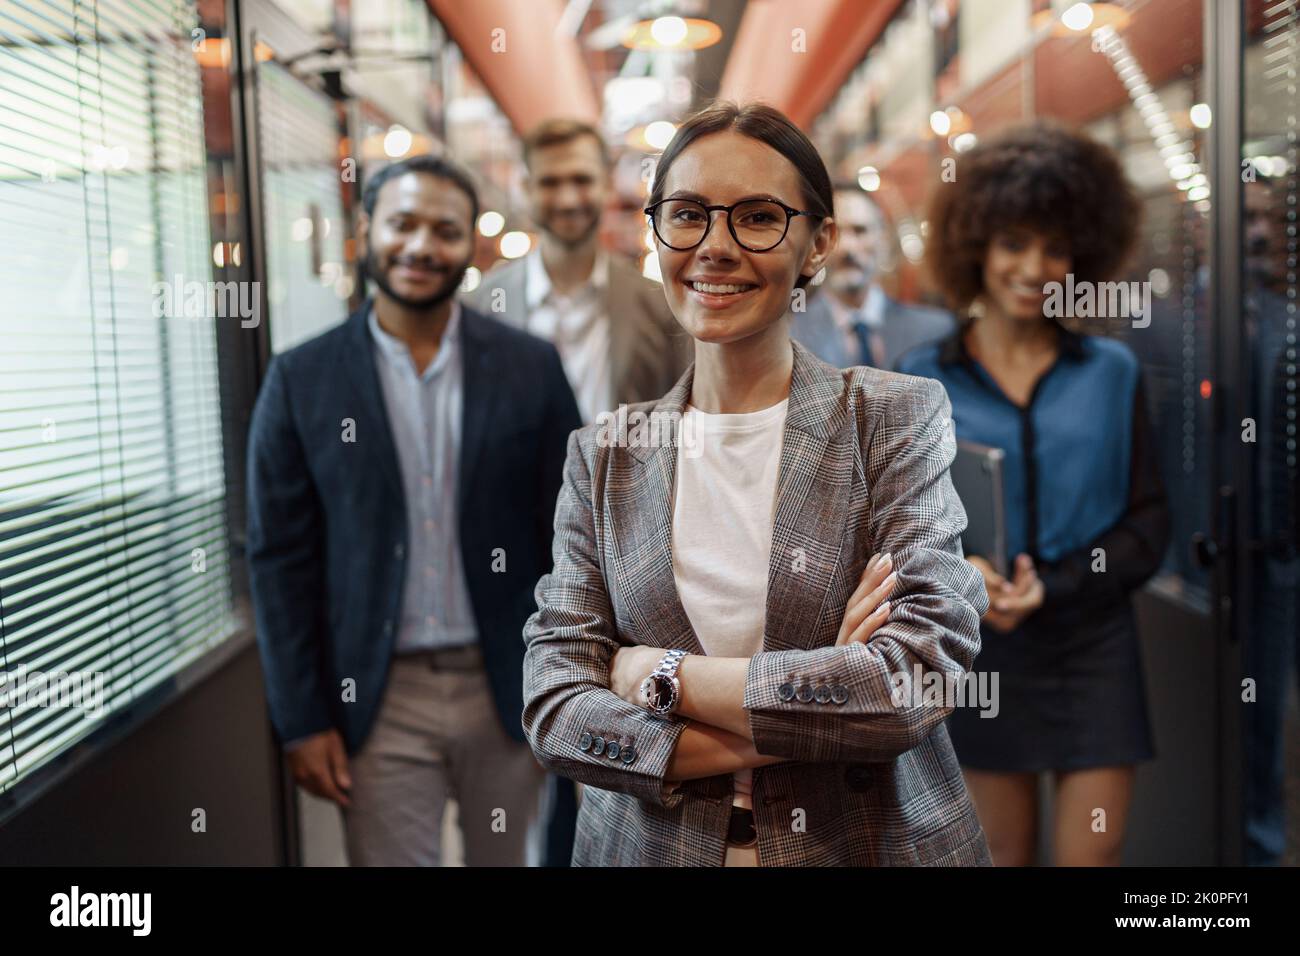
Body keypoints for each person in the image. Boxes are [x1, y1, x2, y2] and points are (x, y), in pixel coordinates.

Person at [521, 101, 992, 867]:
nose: (716, 246)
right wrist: (824, 698)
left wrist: (659, 677)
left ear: (818, 244)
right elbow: (555, 711)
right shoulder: (603, 455)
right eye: (687, 215)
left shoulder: (892, 418)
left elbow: (913, 678)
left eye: (759, 218)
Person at [247, 154, 582, 866]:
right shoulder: (301, 378)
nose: (422, 247)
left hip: (508, 685)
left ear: (469, 246)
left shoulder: (530, 366)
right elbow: (279, 559)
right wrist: (301, 717)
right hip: (376, 696)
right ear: (367, 230)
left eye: (445, 230)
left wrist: (572, 681)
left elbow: (574, 536)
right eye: (402, 224)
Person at [896, 123, 1172, 866]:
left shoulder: (1112, 371)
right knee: (999, 857)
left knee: (1098, 848)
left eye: (1055, 248)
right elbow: (896, 525)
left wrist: (1054, 586)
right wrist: (961, 572)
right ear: (976, 247)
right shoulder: (923, 376)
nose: (1034, 267)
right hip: (982, 651)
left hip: (1092, 641)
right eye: (1014, 243)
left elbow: (1147, 523)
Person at [464, 118, 690, 424]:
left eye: (581, 180)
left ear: (607, 183)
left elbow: (678, 413)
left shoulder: (658, 304)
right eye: (550, 182)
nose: (568, 199)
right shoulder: (484, 302)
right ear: (526, 188)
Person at [791, 186, 954, 369]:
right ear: (818, 244)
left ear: (883, 238)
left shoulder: (935, 331)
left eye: (860, 231)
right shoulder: (789, 334)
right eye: (834, 234)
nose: (847, 247)